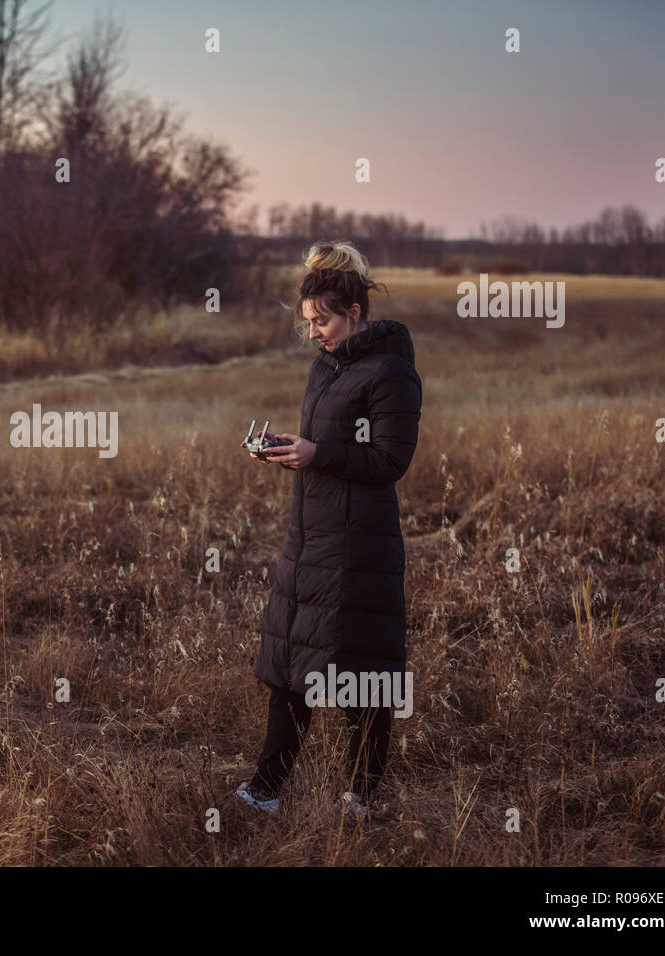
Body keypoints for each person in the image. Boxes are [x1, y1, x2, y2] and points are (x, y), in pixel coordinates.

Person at [234, 240, 423, 821]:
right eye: (308, 322)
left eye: (322, 321)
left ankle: (361, 796)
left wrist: (320, 452)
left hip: (359, 542)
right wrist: (288, 450)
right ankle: (265, 789)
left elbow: (391, 460)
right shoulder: (326, 366)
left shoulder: (390, 371)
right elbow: (325, 446)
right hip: (310, 533)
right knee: (293, 661)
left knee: (358, 668)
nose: (313, 332)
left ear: (355, 314)